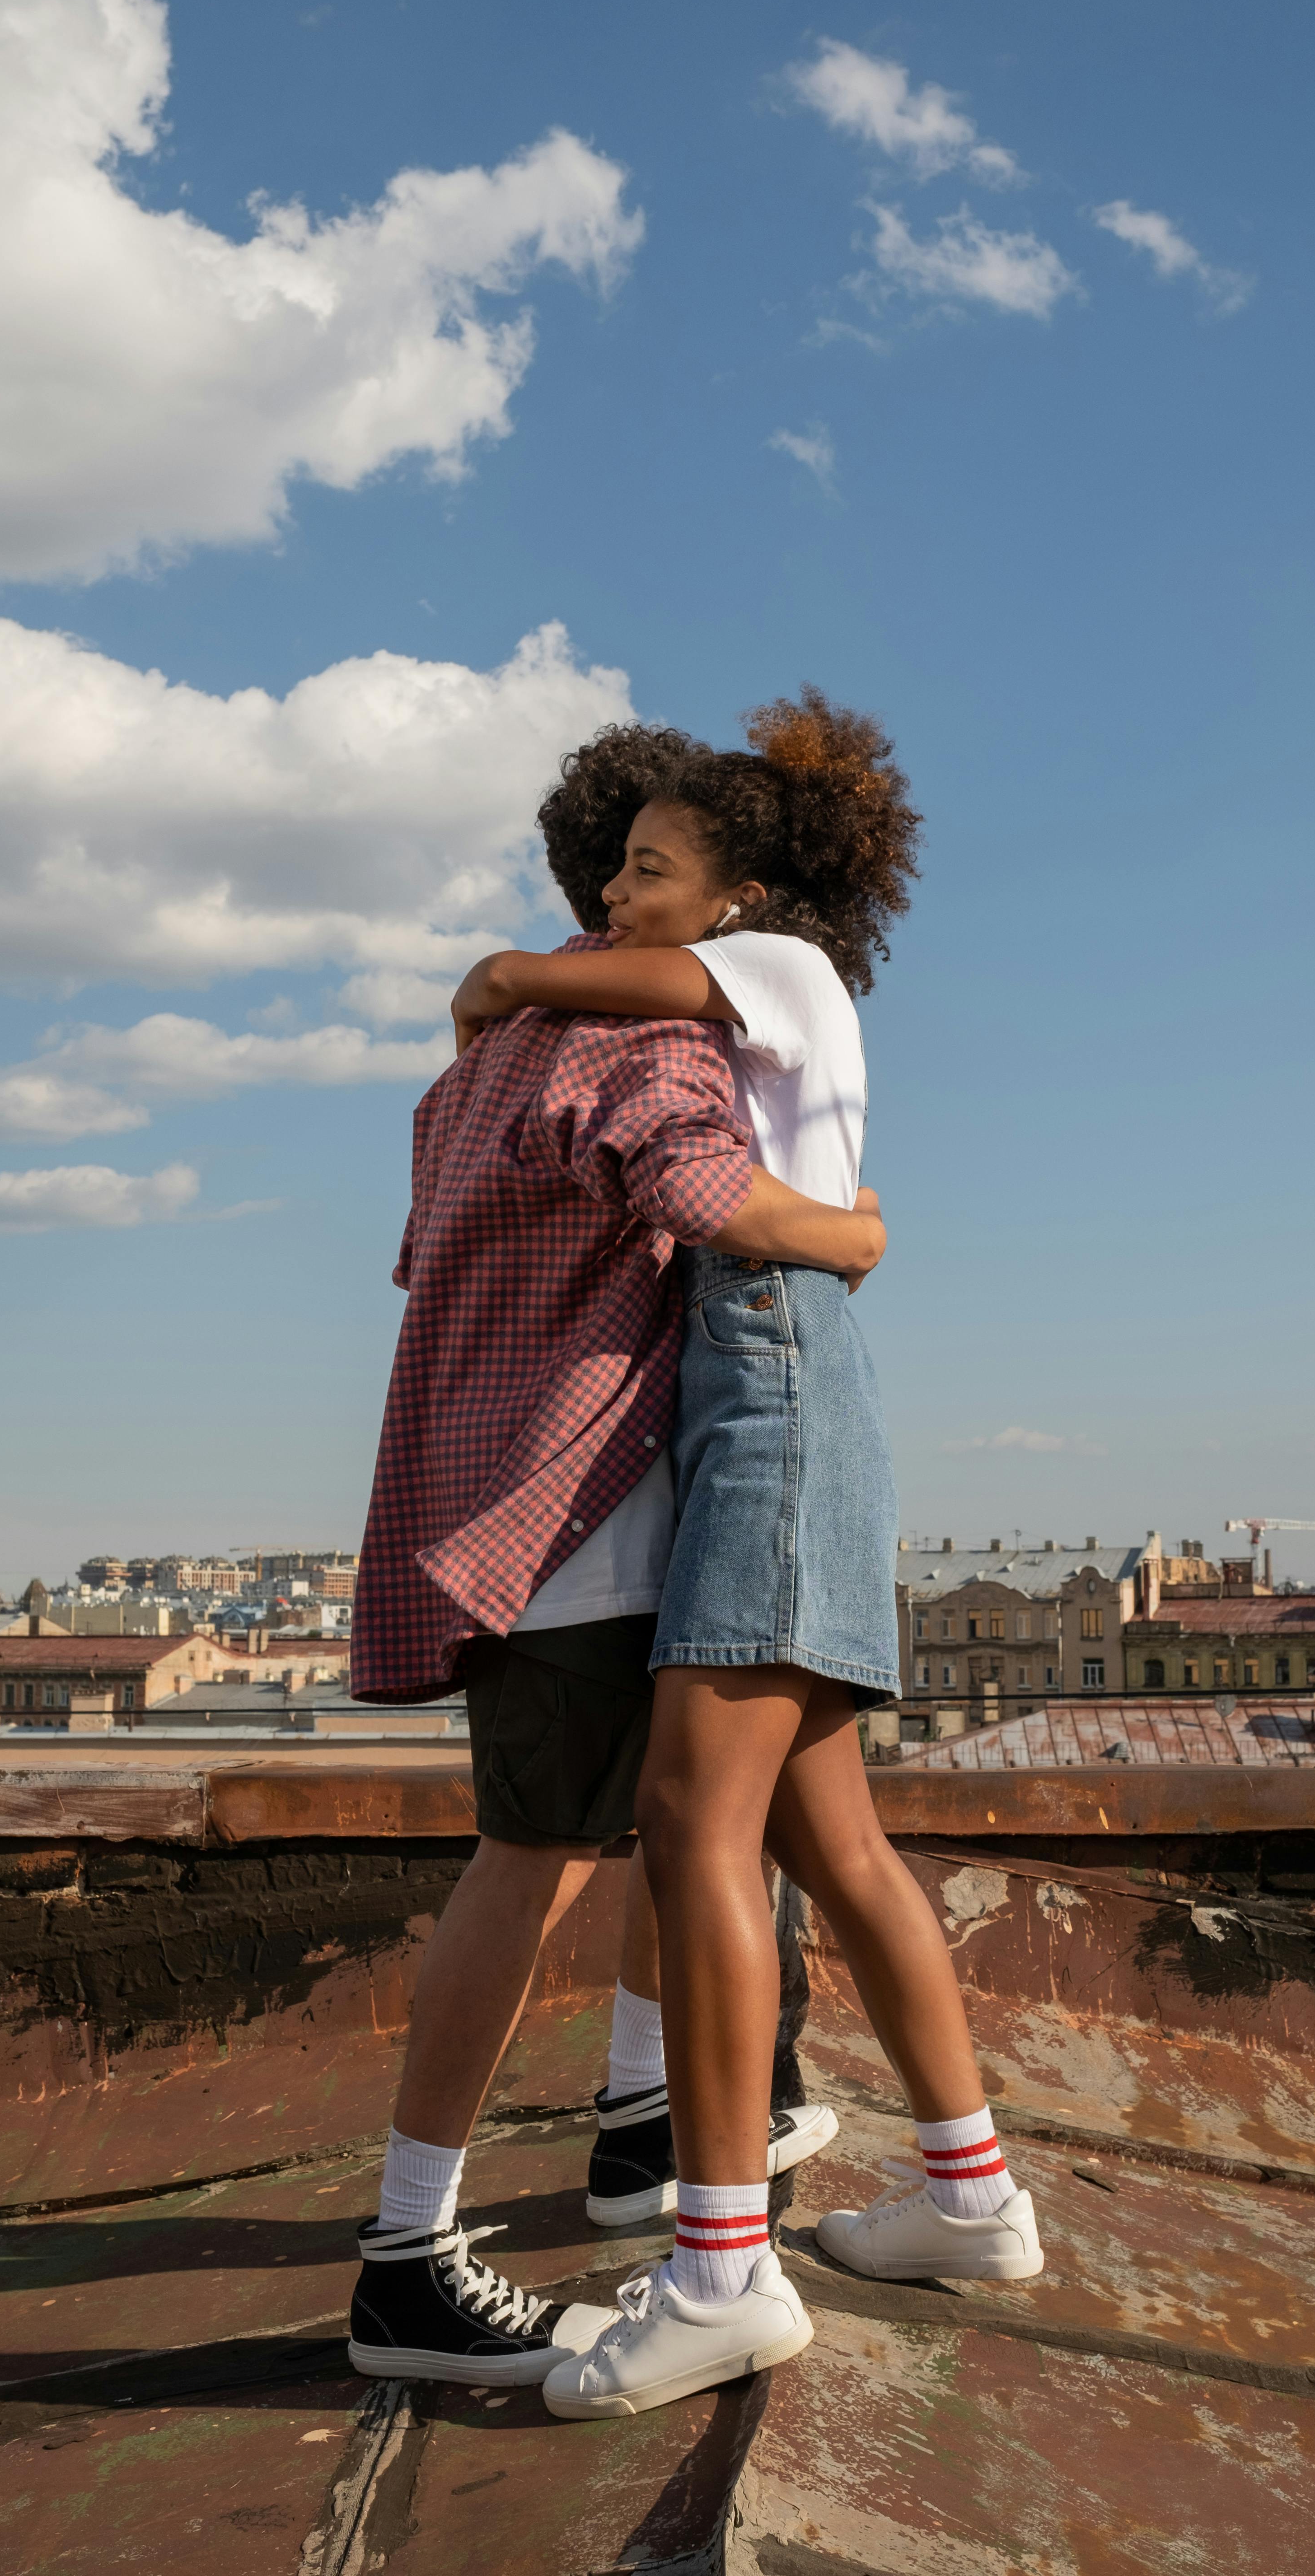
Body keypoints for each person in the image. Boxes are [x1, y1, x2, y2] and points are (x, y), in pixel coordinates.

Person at [450, 691, 1043, 2424]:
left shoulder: (776, 965)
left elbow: (629, 991)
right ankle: (972, 2196)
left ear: (740, 896)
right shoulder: (772, 991)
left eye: (649, 870)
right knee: (828, 1836)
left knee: (689, 1819)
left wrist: (502, 975)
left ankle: (719, 2273)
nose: (616, 902)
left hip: (766, 1374)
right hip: (777, 1368)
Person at [343, 725, 880, 2389]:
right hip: (585, 1507)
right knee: (542, 1855)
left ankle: (648, 2125)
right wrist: (857, 1232)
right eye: (631, 865)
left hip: (483, 1494)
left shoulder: (476, 1064)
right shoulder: (647, 1026)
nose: (627, 892)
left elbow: (420, 1252)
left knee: (659, 1831)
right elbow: (702, 1188)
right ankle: (408, 2257)